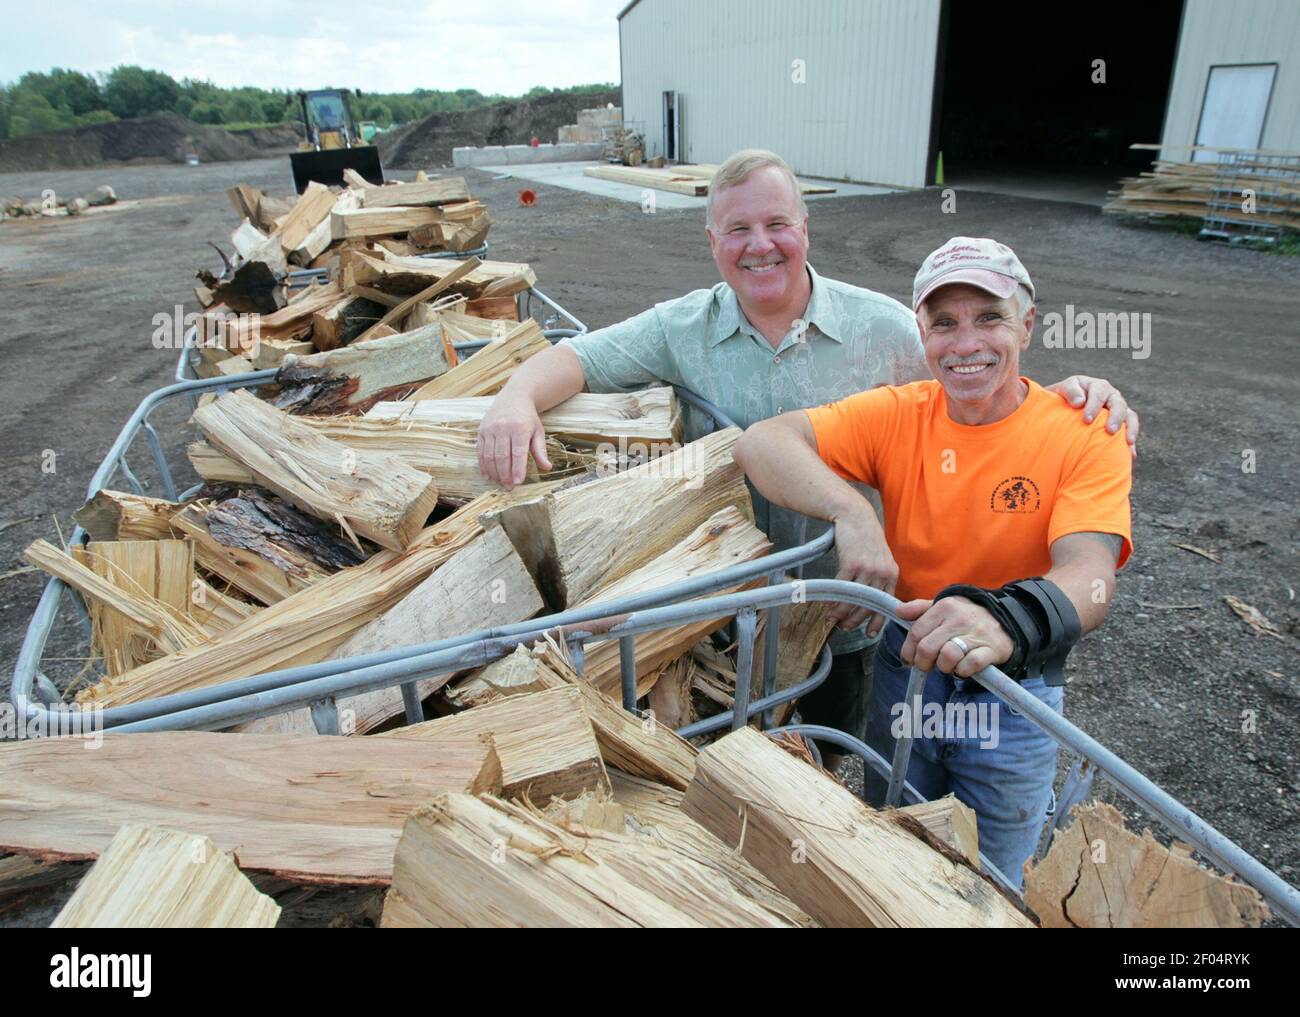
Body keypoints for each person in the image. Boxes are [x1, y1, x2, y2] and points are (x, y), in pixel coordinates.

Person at [476, 149, 1138, 767]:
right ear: (712, 243)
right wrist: (515, 397)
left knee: (840, 761)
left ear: (806, 229)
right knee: (729, 761)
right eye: (737, 229)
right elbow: (577, 359)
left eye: (776, 223)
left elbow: (982, 373)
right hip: (725, 623)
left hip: (847, 617)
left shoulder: (886, 329)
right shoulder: (681, 329)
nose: (760, 245)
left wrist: (1074, 397)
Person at [733, 236, 1133, 886]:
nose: (965, 342)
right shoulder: (901, 415)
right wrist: (853, 514)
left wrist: (1005, 620)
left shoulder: (1084, 431)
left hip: (1015, 686)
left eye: (989, 317)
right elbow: (762, 443)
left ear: (1027, 324)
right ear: (922, 332)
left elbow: (1091, 574)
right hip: (909, 664)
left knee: (994, 879)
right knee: (898, 844)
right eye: (944, 322)